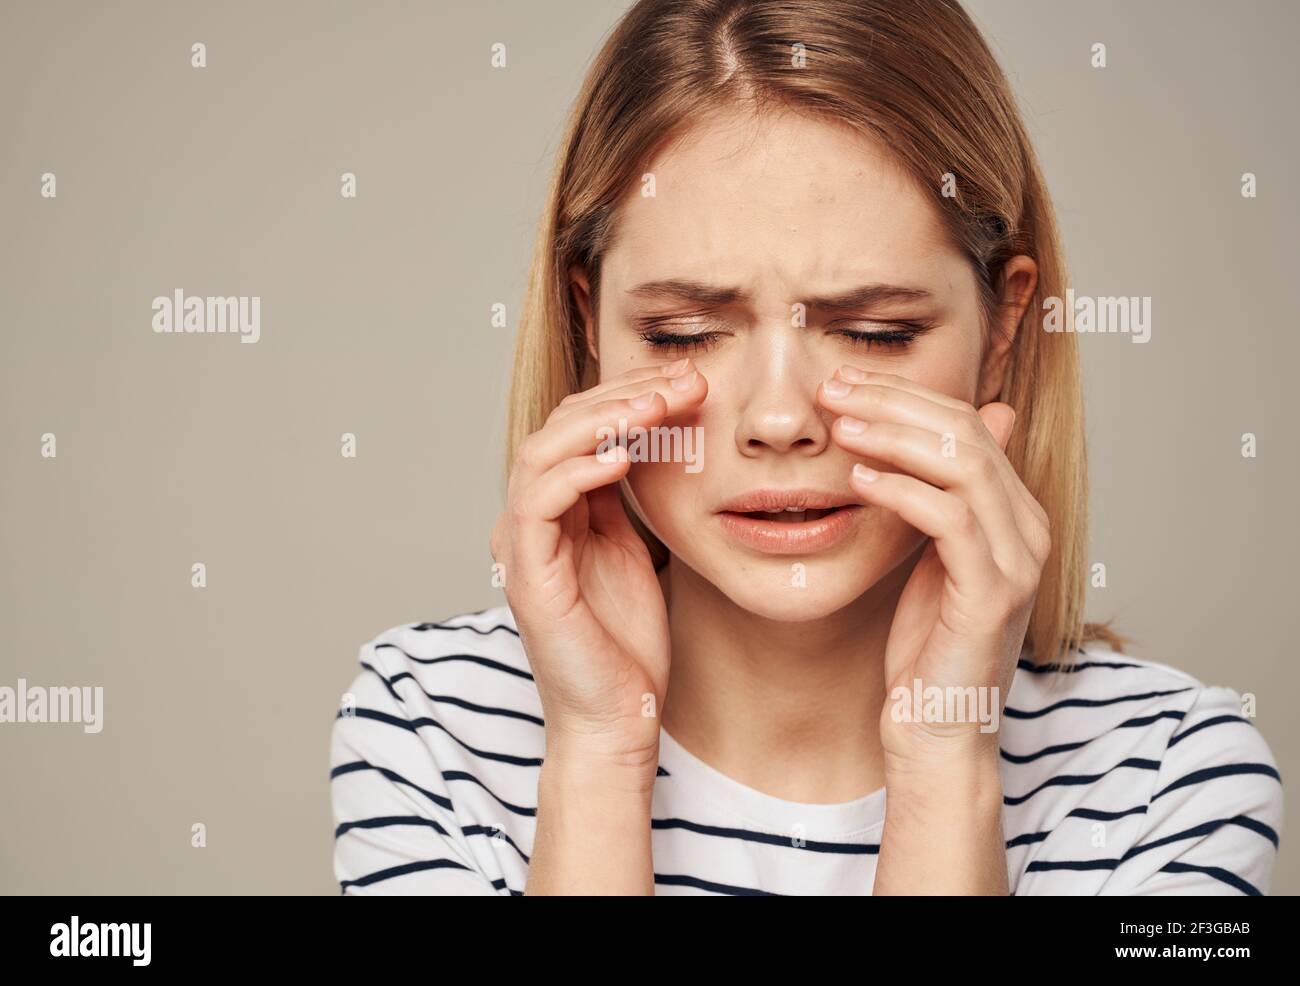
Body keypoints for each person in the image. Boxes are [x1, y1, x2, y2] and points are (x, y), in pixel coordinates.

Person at [330, 0, 1282, 895]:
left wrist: (945, 756)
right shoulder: (426, 725)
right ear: (590, 325)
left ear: (1002, 330)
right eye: (683, 330)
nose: (779, 420)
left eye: (874, 332)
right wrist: (601, 747)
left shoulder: (1176, 779)